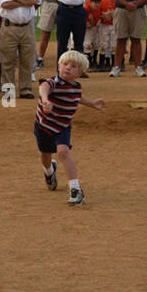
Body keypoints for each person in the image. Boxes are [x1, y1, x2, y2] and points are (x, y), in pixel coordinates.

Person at [36, 50, 105, 206]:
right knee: (45, 155)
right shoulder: (54, 82)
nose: (67, 68)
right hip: (44, 126)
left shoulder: (76, 87)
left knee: (63, 152)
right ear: (58, 66)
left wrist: (92, 103)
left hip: (62, 127)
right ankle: (49, 172)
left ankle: (75, 190)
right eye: (64, 64)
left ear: (79, 73)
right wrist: (45, 100)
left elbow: (77, 97)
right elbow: (44, 87)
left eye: (73, 66)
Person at [0, 0, 41, 98]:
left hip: (27, 27)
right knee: (8, 61)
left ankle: (25, 89)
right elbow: (5, 4)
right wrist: (25, 1)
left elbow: (34, 1)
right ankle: (9, 90)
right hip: (10, 28)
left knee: (26, 60)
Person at [36, 0, 66, 67]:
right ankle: (40, 57)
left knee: (62, 34)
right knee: (45, 33)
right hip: (49, 6)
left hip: (62, 6)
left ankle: (62, 59)